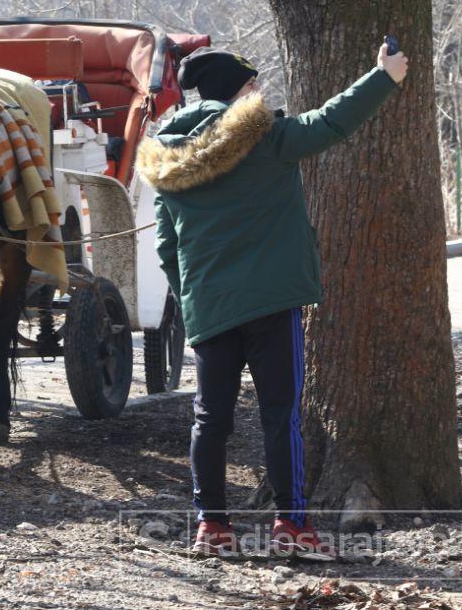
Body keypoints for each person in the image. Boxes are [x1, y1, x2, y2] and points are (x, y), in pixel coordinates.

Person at [136, 41, 408, 559]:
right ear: (239, 93)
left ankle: (211, 526)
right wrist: (384, 76)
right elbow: (332, 121)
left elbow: (166, 246)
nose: (258, 92)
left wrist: (195, 295)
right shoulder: (266, 139)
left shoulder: (168, 163)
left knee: (209, 418)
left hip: (210, 309)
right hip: (270, 305)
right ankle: (291, 524)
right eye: (252, 86)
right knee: (280, 415)